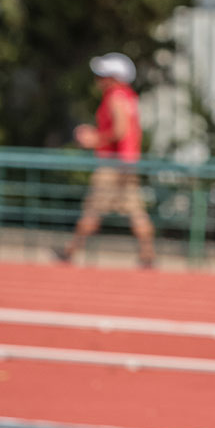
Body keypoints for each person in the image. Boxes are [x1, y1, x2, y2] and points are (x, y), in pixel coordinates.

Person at [55, 52, 155, 268]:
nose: (98, 80)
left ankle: (69, 252)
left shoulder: (115, 96)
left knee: (93, 209)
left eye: (102, 75)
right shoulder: (128, 96)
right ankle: (148, 256)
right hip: (128, 163)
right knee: (136, 211)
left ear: (115, 77)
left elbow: (120, 130)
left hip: (113, 164)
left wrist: (94, 139)